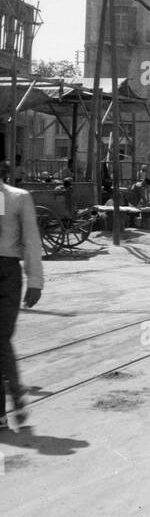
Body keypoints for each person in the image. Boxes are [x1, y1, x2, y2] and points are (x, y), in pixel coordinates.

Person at [0, 160, 43, 431]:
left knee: (1, 338)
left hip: (6, 273)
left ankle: (15, 396)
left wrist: (35, 280)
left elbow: (31, 239)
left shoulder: (16, 198)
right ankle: (14, 400)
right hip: (8, 273)